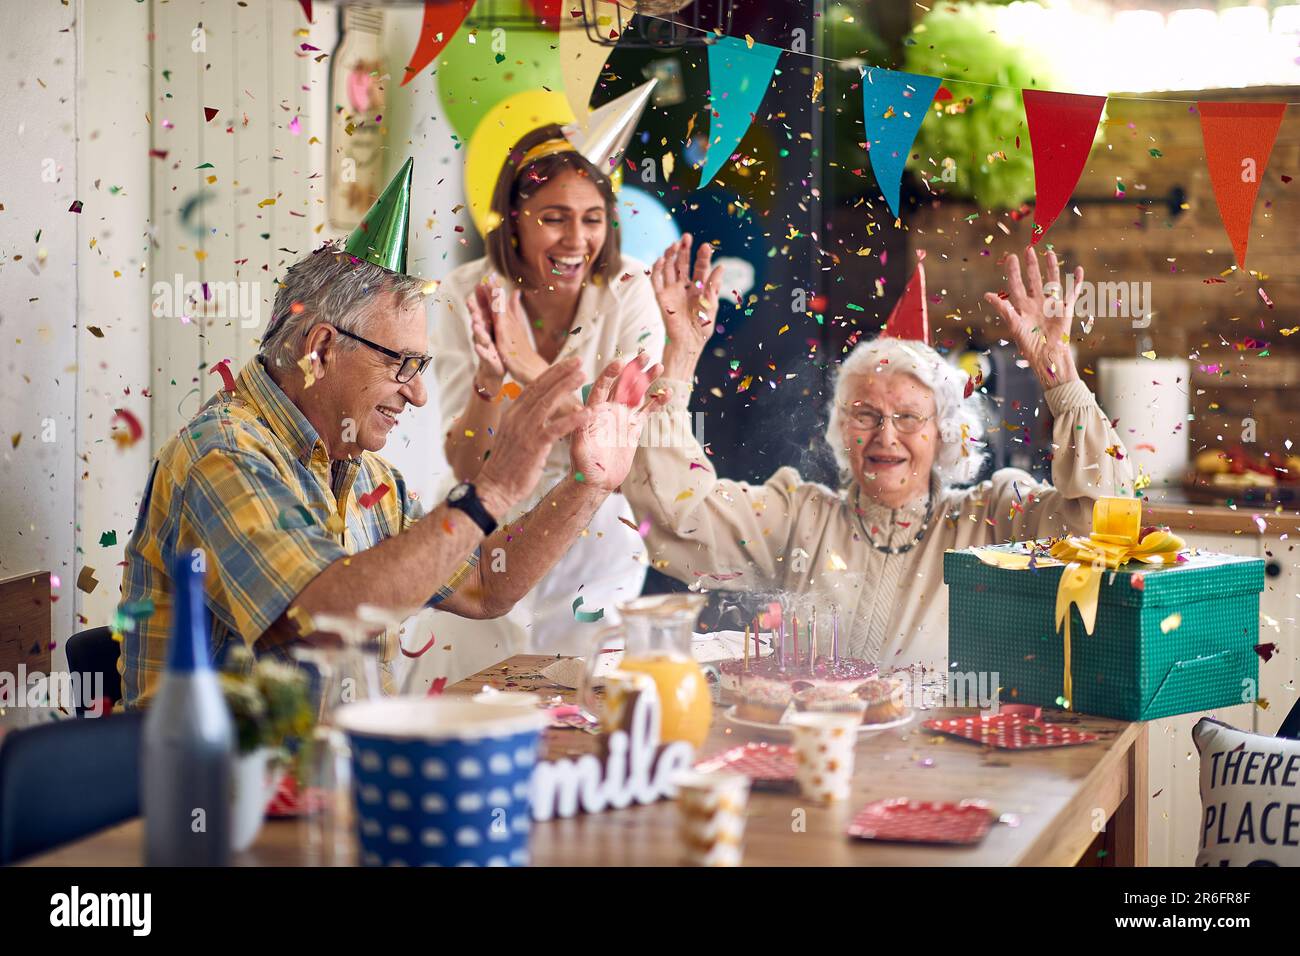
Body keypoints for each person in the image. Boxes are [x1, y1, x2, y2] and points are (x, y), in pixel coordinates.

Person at [117, 160, 664, 708]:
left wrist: (587, 483)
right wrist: (490, 492)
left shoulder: (366, 474)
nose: (418, 393)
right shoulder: (224, 455)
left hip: (340, 771)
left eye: (420, 367)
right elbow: (322, 621)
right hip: (227, 783)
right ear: (322, 349)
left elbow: (485, 587)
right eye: (400, 364)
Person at [623, 239, 1135, 672]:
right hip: (818, 763)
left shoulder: (994, 519)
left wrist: (1060, 379)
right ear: (843, 428)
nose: (885, 435)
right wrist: (681, 358)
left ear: (946, 432)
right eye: (865, 414)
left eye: (909, 417)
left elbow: (1105, 521)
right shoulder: (799, 516)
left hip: (955, 768)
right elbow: (678, 513)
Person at [428, 122, 669, 653]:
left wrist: (526, 364)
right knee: (477, 699)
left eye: (592, 220)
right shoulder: (461, 294)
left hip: (591, 526)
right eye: (554, 219)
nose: (576, 241)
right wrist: (490, 382)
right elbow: (471, 468)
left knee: (580, 708)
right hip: (486, 527)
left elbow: (613, 441)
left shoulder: (631, 287)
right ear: (515, 221)